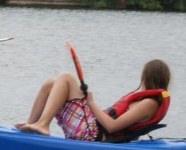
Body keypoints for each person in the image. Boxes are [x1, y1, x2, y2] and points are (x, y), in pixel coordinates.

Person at [16, 58, 172, 142]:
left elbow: (111, 126)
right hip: (91, 130)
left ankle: (43, 125)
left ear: (146, 77)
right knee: (51, 83)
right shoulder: (147, 100)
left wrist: (91, 102)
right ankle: (32, 124)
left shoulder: (149, 103)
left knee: (66, 77)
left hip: (93, 136)